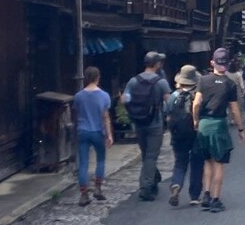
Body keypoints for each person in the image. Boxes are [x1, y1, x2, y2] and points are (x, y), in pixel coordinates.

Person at [193, 47, 245, 213]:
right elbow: (235, 110)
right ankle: (216, 199)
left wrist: (195, 120)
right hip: (219, 124)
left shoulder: (203, 80)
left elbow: (196, 103)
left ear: (212, 63)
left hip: (204, 125)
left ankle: (206, 195)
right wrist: (240, 128)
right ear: (227, 63)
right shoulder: (229, 84)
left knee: (207, 162)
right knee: (219, 164)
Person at [122, 51, 171, 201]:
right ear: (157, 64)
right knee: (151, 155)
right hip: (155, 123)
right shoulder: (161, 82)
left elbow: (124, 99)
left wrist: (133, 112)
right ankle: (146, 187)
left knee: (145, 153)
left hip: (138, 122)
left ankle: (153, 177)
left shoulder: (133, 81)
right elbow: (169, 103)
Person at [72, 66, 113, 204]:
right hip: (97, 131)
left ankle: (84, 194)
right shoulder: (104, 96)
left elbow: (76, 114)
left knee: (83, 163)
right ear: (98, 78)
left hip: (83, 131)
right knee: (100, 160)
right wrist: (109, 135)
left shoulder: (78, 96)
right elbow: (105, 117)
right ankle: (97, 188)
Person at [166, 65, 202, 207]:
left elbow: (167, 113)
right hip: (195, 132)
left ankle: (176, 185)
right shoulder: (197, 94)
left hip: (178, 134)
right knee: (197, 163)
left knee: (180, 162)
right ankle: (194, 195)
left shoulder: (174, 95)